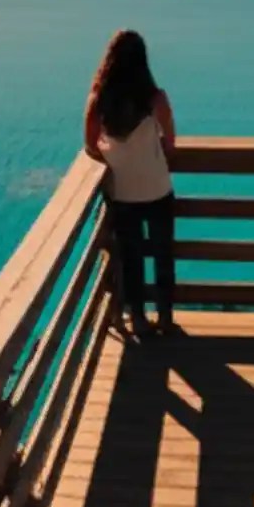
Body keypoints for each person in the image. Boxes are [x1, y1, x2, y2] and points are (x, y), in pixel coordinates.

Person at [83, 30, 177, 337]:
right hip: (157, 187)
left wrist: (116, 157)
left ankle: (137, 319)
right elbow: (170, 142)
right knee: (163, 254)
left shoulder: (99, 100)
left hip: (122, 192)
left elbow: (90, 144)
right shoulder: (155, 97)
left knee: (131, 259)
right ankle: (164, 316)